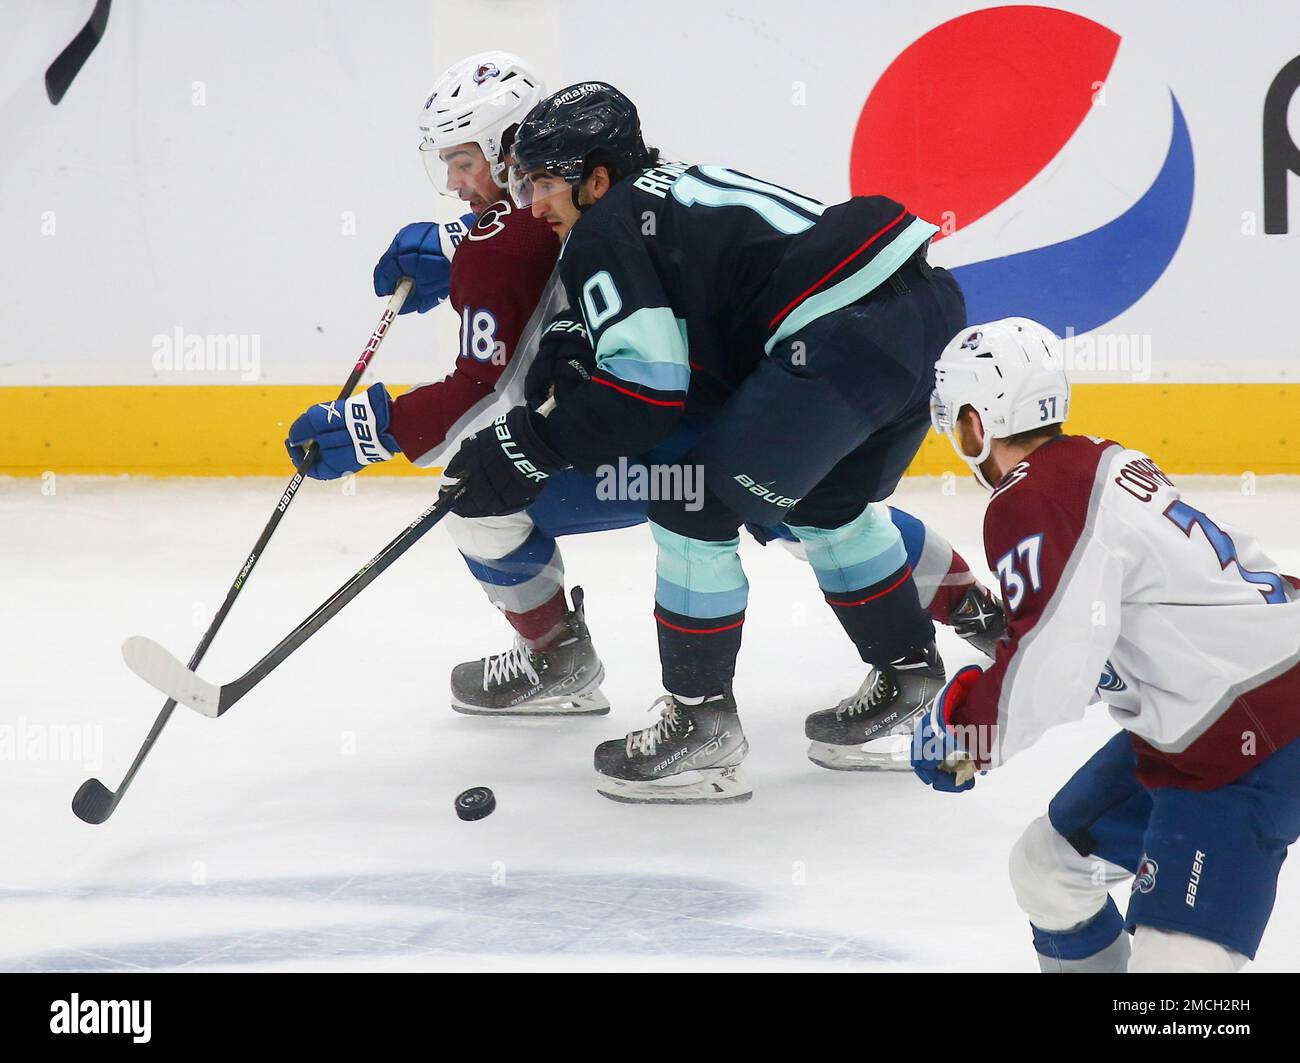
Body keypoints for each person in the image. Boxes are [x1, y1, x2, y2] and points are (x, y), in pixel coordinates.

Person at [441, 82, 989, 802]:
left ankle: (702, 729)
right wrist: (576, 347)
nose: (536, 204)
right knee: (824, 508)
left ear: (596, 179)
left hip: (836, 337)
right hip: (924, 312)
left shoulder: (603, 230)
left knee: (688, 498)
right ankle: (911, 683)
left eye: (545, 182)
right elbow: (696, 321)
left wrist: (528, 443)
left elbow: (646, 395)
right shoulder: (677, 188)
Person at [912, 317, 1300, 972]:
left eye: (958, 421)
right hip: (1194, 726)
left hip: (1253, 742)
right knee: (1049, 871)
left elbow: (1055, 659)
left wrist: (970, 731)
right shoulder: (1096, 460)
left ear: (978, 421)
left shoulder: (1030, 498)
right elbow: (1098, 631)